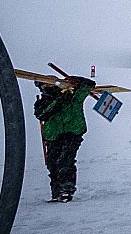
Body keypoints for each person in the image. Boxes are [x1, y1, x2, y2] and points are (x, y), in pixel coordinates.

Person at [33, 74, 97, 202]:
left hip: (72, 132)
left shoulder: (72, 96)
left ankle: (67, 190)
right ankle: (57, 192)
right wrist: (57, 100)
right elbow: (42, 114)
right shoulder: (42, 102)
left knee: (65, 160)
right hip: (53, 135)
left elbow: (89, 85)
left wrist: (76, 80)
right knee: (53, 164)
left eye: (50, 84)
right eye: (44, 85)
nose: (47, 87)